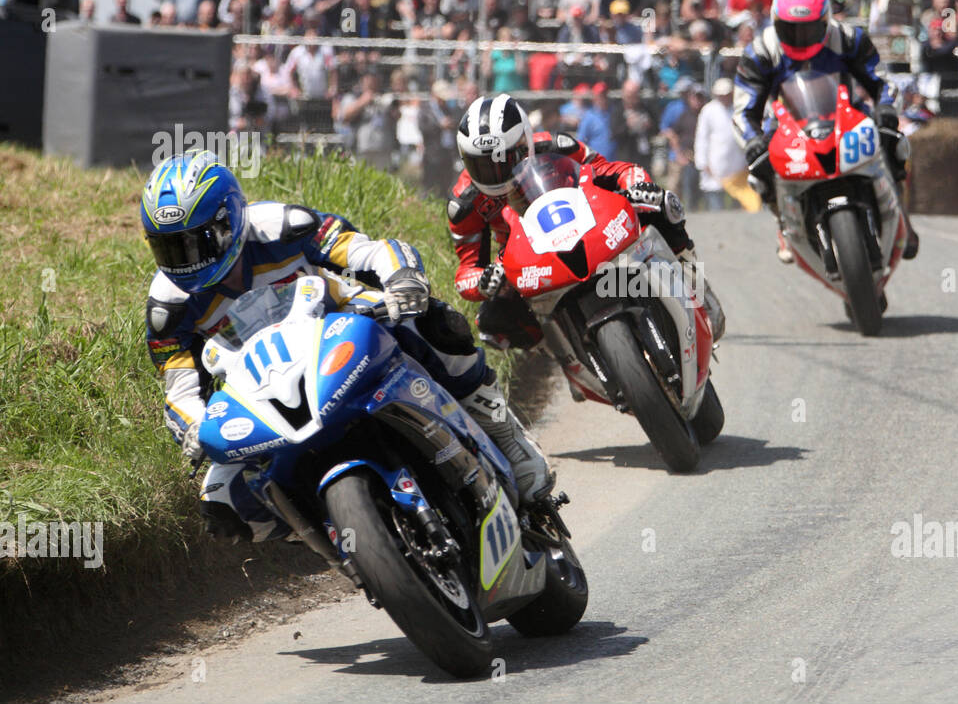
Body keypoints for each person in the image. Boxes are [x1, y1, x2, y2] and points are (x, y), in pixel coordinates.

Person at [140, 151, 553, 543]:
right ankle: (333, 531)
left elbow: (367, 250)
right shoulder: (167, 308)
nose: (185, 261)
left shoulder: (284, 225)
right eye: (169, 247)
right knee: (221, 504)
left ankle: (502, 431)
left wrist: (402, 278)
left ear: (229, 220)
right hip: (259, 388)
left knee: (434, 323)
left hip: (337, 324)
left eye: (197, 242)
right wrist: (194, 426)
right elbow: (179, 391)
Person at [446, 94, 723, 366]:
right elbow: (465, 271)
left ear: (525, 142)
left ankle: (694, 280)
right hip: (526, 259)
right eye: (483, 164)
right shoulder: (464, 204)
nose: (497, 173)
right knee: (491, 321)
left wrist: (636, 185)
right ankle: (564, 356)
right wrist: (484, 281)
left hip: (587, 223)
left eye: (506, 159)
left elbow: (610, 170)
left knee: (658, 204)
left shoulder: (557, 145)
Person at [732, 0, 918, 262]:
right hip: (785, 126)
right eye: (791, 29)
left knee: (893, 140)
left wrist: (887, 108)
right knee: (759, 168)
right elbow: (744, 110)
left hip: (847, 115)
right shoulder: (760, 52)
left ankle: (902, 214)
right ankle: (782, 219)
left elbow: (881, 81)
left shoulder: (848, 38)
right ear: (775, 22)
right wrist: (752, 141)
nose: (799, 36)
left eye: (808, 29)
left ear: (825, 20)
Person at [694, 78, 746, 211]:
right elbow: (702, 138)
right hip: (715, 166)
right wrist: (703, 163)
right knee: (716, 207)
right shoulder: (708, 110)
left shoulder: (739, 108)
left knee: (738, 208)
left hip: (737, 166)